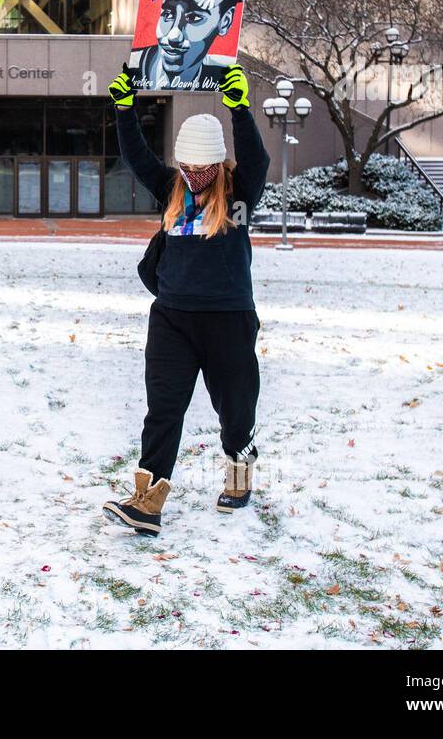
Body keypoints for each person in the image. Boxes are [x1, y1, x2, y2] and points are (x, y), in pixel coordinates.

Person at [101, 63, 269, 534]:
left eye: (203, 168)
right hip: (172, 318)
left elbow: (257, 159)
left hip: (229, 319)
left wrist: (239, 110)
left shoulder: (240, 193)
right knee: (164, 409)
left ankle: (239, 461)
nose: (194, 176)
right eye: (188, 167)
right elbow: (136, 157)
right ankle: (147, 500)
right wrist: (124, 109)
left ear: (218, 165)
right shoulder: (171, 189)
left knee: (235, 408)